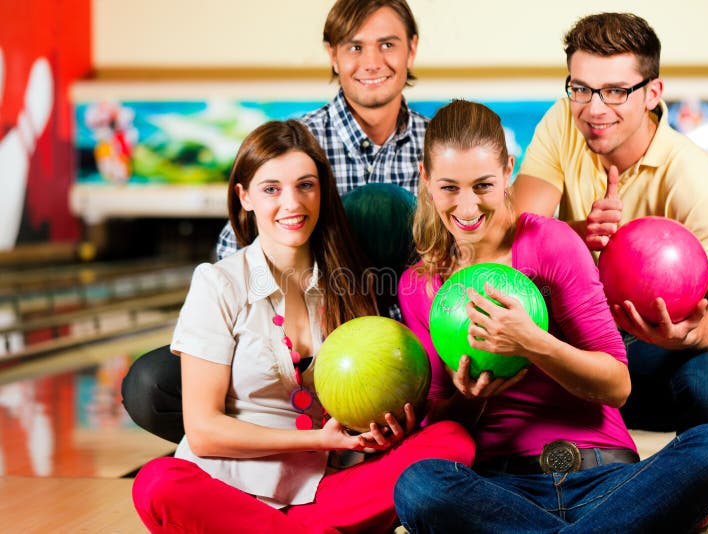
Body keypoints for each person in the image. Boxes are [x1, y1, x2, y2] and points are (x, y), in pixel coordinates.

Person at [392, 100, 708, 533]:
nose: (467, 207)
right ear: (426, 179)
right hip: (503, 493)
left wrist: (532, 342)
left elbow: (617, 385)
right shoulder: (419, 286)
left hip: (606, 482)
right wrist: (471, 396)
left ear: (508, 172)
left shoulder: (550, 242)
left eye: (482, 185)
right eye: (449, 188)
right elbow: (443, 427)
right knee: (417, 485)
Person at [131, 119, 475, 534]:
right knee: (156, 483)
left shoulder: (349, 284)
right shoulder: (218, 283)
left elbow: (359, 406)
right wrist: (317, 441)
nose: (292, 203)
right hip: (229, 489)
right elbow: (203, 432)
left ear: (321, 192)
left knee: (452, 439)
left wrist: (380, 430)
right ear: (244, 197)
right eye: (271, 189)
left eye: (305, 185)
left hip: (327, 489)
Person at [121, 0, 426, 444]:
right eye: (355, 46)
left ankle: (359, 438)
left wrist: (397, 349)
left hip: (397, 336)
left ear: (411, 49)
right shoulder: (293, 143)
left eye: (387, 44)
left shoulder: (437, 148)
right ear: (332, 54)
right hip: (301, 334)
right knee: (151, 384)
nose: (372, 61)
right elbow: (234, 258)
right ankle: (255, 445)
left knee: (383, 205)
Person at [511, 13, 708, 448]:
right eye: (581, 88)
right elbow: (510, 237)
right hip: (574, 343)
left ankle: (687, 490)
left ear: (652, 93)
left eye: (615, 92)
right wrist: (577, 232)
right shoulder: (562, 123)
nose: (594, 108)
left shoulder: (697, 180)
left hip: (653, 352)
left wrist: (687, 334)